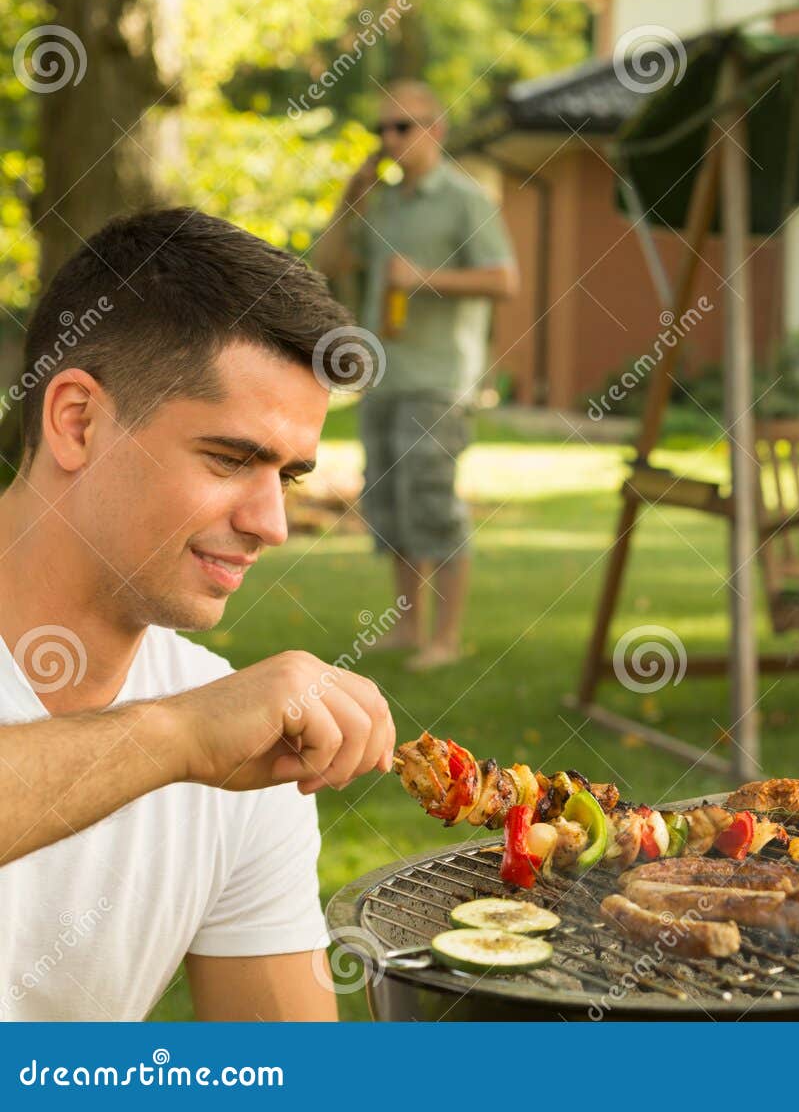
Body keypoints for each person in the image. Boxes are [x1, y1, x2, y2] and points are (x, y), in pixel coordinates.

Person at [0, 208, 397, 1020]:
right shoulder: (207, 729)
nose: (271, 522)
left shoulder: (235, 740)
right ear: (77, 421)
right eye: (229, 459)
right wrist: (176, 738)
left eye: (284, 476)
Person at [314, 80, 518, 672]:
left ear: (437, 129)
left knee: (432, 504)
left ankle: (446, 640)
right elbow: (326, 264)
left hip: (439, 381)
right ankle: (407, 628)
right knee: (391, 505)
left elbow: (505, 280)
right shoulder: (384, 202)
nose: (389, 139)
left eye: (403, 127)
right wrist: (352, 195)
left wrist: (425, 277)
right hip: (384, 377)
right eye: (381, 130)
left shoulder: (464, 199)